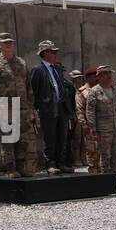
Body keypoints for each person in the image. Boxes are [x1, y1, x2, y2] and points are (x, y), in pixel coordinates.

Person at [0, 31, 40, 177]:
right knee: (8, 139)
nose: (9, 44)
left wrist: (30, 107)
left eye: (10, 42)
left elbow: (28, 87)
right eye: (5, 42)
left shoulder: (21, 62)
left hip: (23, 107)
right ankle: (11, 168)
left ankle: (23, 167)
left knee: (24, 139)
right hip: (5, 108)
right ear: (0, 45)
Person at [29, 40, 72, 173]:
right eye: (53, 52)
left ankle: (60, 162)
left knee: (61, 136)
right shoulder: (37, 70)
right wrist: (36, 108)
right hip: (47, 108)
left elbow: (61, 87)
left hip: (61, 107)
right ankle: (50, 163)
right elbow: (33, 91)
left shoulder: (57, 68)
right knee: (49, 137)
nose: (55, 54)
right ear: (45, 53)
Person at [84, 66, 116, 189]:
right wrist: (93, 129)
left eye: (110, 73)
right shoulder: (94, 91)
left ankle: (114, 179)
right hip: (103, 129)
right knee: (105, 156)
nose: (109, 76)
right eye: (106, 74)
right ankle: (106, 181)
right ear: (99, 76)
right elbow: (90, 111)